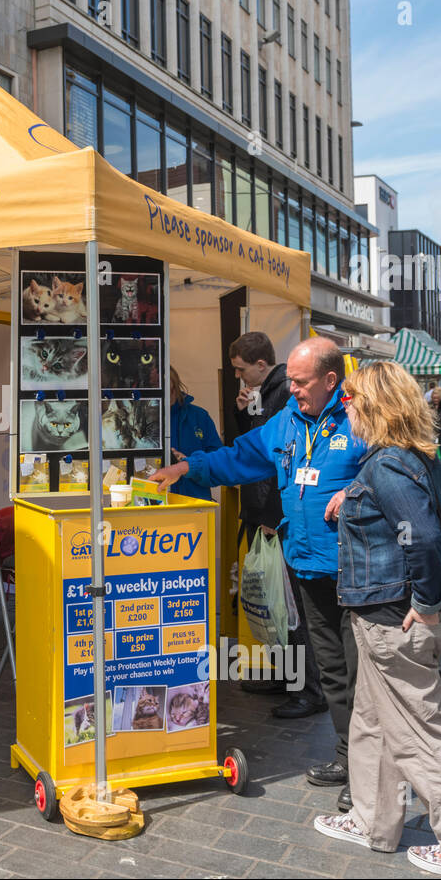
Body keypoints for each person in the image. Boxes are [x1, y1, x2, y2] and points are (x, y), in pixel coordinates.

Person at [152, 337, 365, 811]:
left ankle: (371, 775)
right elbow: (238, 457)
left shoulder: (360, 419)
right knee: (332, 672)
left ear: (331, 381)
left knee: (362, 676)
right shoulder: (286, 421)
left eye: (301, 382)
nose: (291, 390)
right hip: (307, 568)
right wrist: (187, 465)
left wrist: (356, 490)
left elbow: (398, 466)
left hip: (358, 573)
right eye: (289, 381)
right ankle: (349, 758)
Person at [313, 361, 441, 879]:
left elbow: (427, 537)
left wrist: (428, 600)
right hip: (387, 614)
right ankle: (373, 821)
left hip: (394, 618)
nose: (343, 408)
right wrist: (352, 495)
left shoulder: (387, 465)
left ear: (371, 406)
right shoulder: (416, 460)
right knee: (372, 721)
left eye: (349, 400)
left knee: (422, 731)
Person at [226, 332, 326, 719]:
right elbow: (253, 449)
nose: (239, 377)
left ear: (261, 365)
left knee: (288, 608)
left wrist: (272, 517)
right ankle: (289, 678)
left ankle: (308, 689)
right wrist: (243, 414)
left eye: (241, 370)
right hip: (263, 512)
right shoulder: (266, 394)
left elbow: (282, 460)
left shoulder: (284, 393)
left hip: (275, 517)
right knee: (272, 602)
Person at [165, 364, 223, 500]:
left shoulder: (199, 416)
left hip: (194, 502)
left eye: (170, 390)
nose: (168, 397)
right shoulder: (142, 419)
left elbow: (218, 460)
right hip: (155, 502)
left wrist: (189, 463)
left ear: (176, 385)